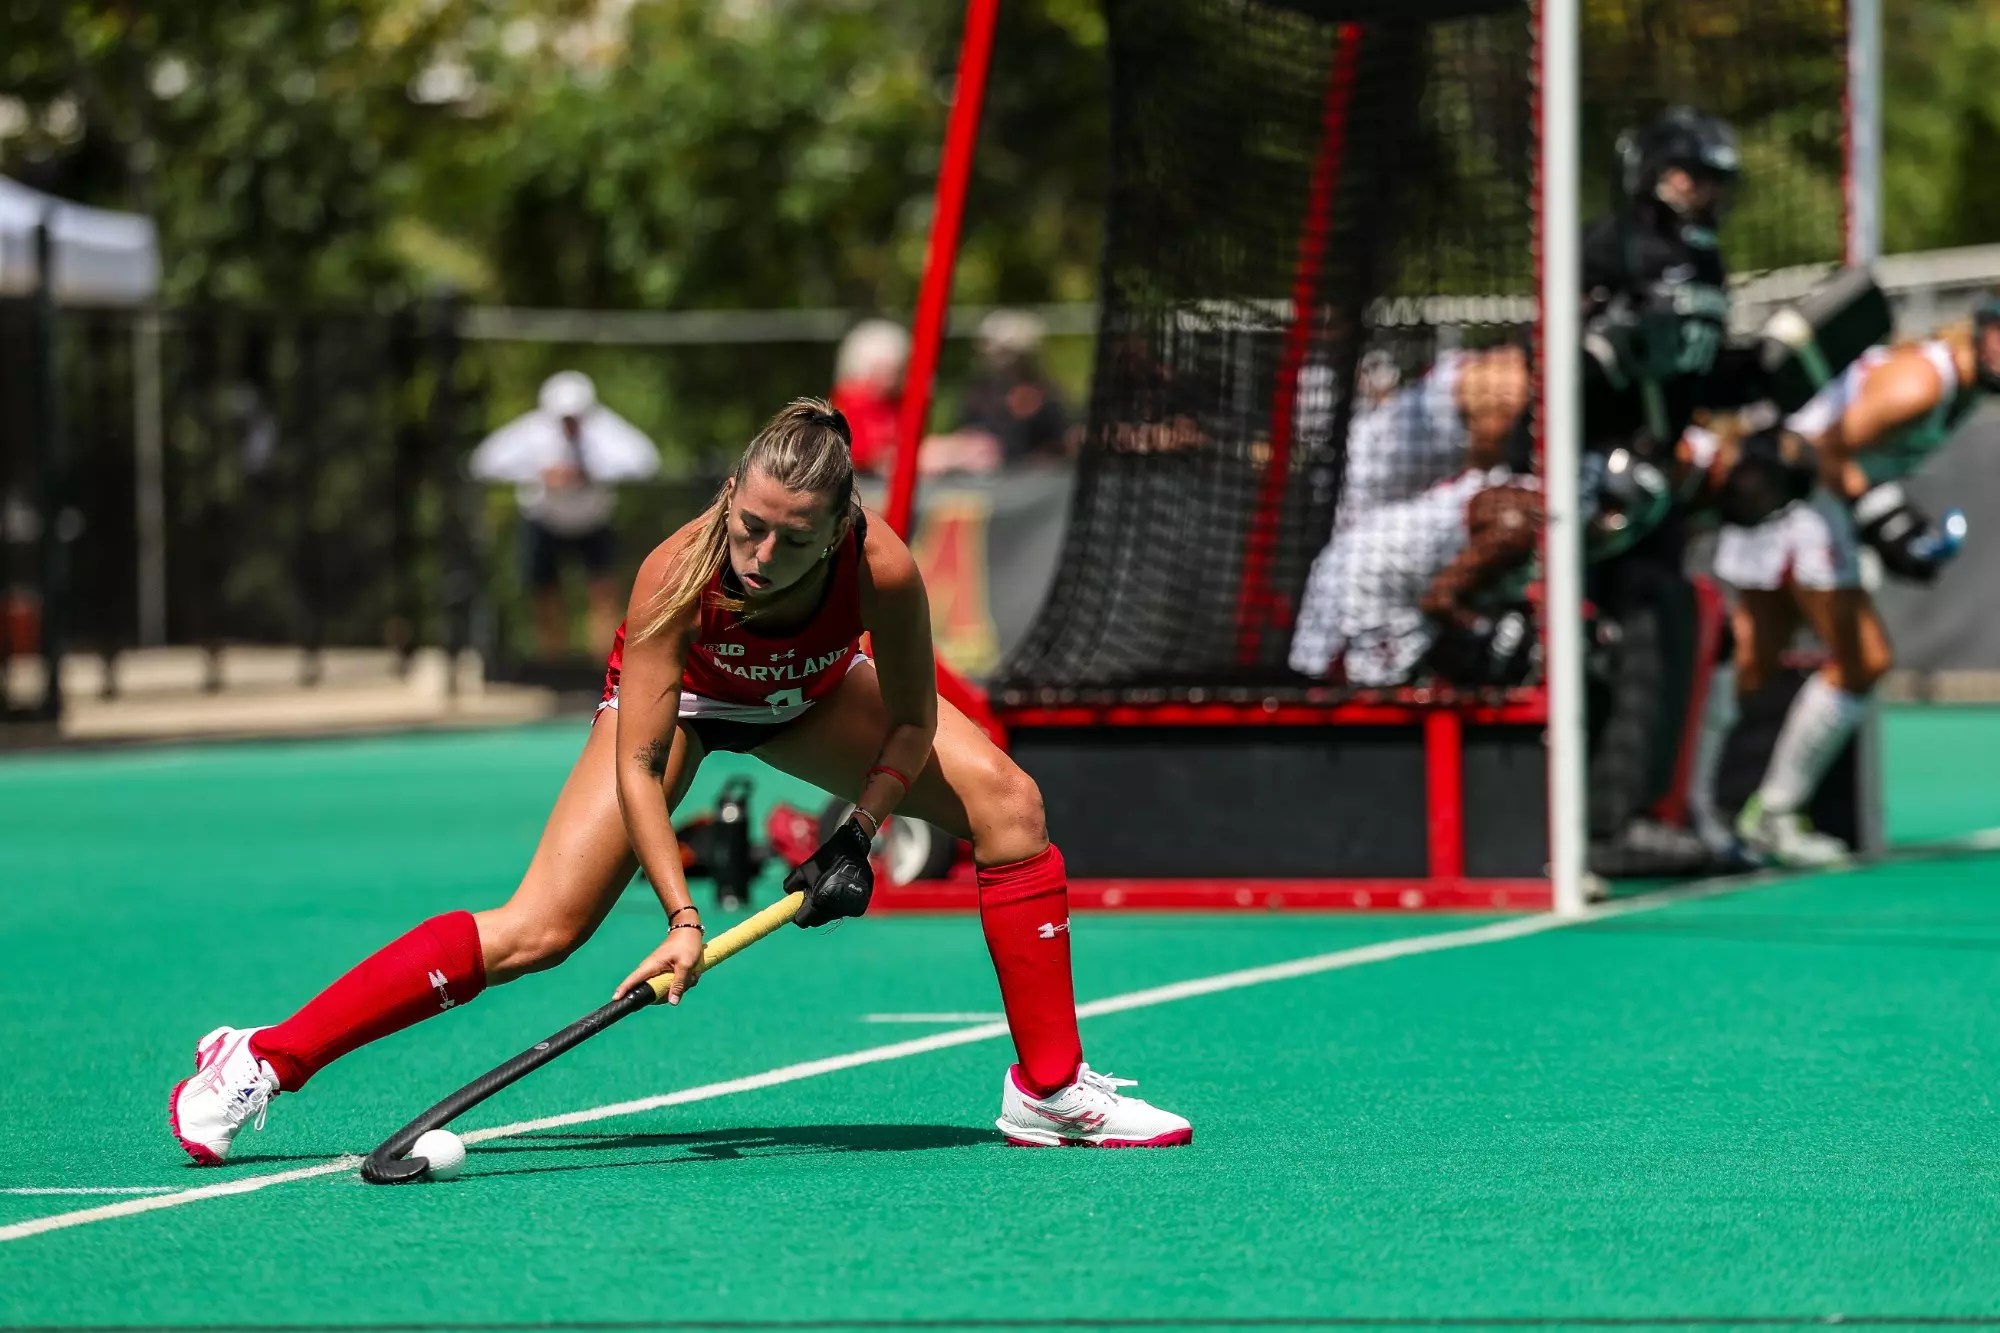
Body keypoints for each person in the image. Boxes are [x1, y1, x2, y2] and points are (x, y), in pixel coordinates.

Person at [170, 398, 1191, 1163]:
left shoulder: (881, 567)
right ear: (731, 493)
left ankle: (1049, 1091)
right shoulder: (678, 570)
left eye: (793, 539)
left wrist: (859, 829)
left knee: (1011, 806)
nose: (759, 553)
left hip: (808, 695)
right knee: (538, 930)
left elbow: (915, 720)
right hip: (684, 709)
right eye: (749, 523)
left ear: (840, 528)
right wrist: (682, 918)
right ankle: (262, 1057)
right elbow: (636, 764)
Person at [1695, 309, 1996, 865]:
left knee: (1751, 663)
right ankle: (1773, 812)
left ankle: (1692, 804)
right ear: (1984, 328)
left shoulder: (1959, 390)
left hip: (1802, 503)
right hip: (1802, 504)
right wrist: (1885, 518)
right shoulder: (1924, 381)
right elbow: (1821, 447)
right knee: (1863, 660)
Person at [469, 371, 661, 655]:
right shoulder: (532, 431)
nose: (570, 423)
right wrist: (539, 473)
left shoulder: (603, 429)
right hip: (544, 524)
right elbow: (483, 463)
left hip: (593, 524)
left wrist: (590, 473)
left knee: (604, 595)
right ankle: (554, 663)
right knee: (546, 596)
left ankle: (604, 665)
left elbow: (645, 461)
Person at [829, 319, 910, 476]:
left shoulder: (894, 401)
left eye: (896, 370)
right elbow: (859, 453)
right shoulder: (851, 402)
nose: (892, 379)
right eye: (884, 369)